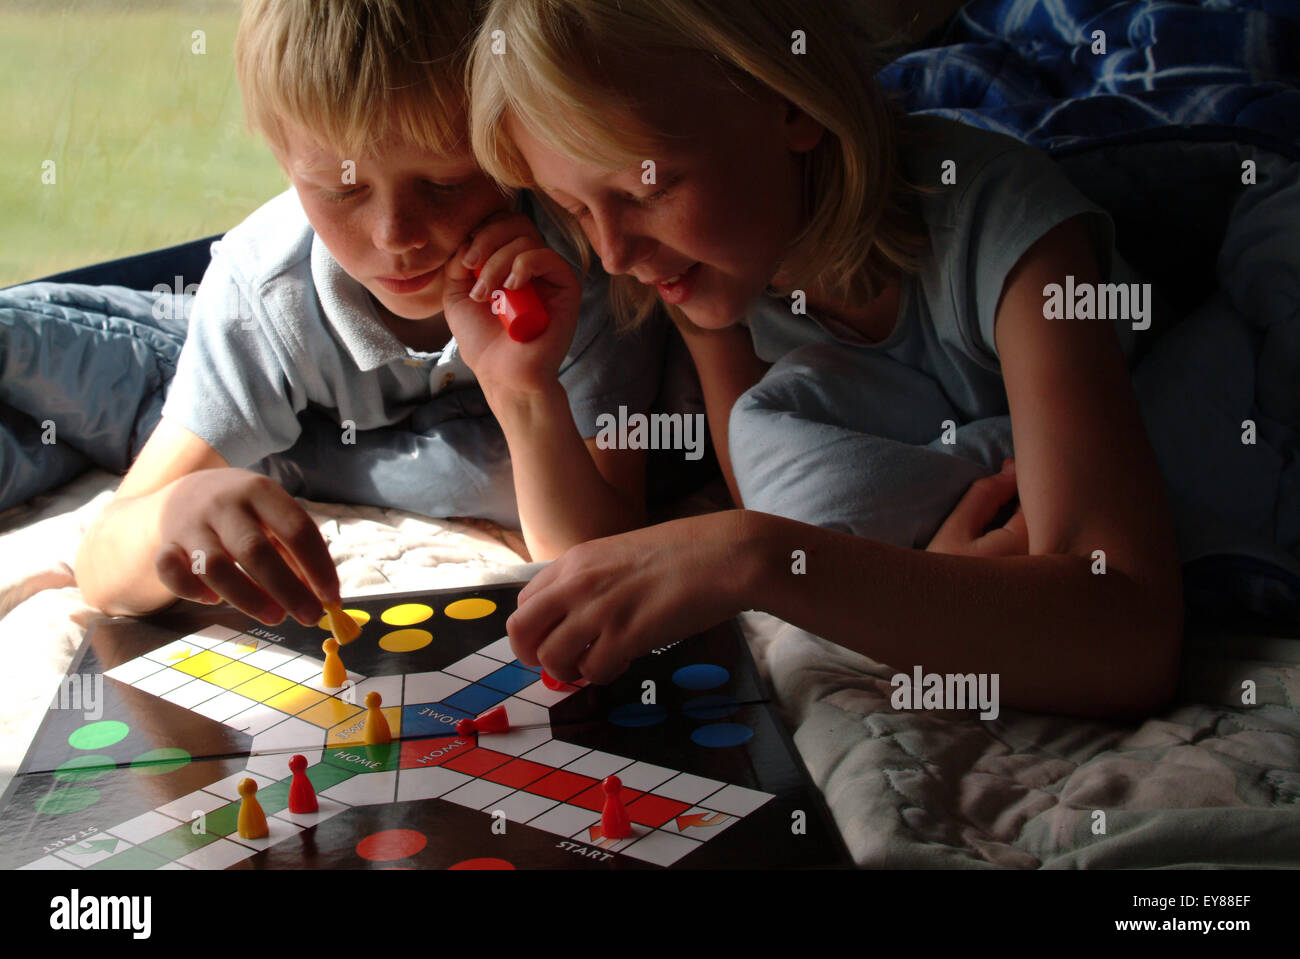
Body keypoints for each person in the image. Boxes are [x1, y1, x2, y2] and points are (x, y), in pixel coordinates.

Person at [471, 0, 1184, 718]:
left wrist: (751, 555)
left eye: (648, 189)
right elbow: (610, 579)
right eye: (573, 208)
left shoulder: (1013, 236)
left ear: (790, 102)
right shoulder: (711, 289)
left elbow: (1129, 638)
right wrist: (521, 392)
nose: (614, 254)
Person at [75, 0, 662, 627]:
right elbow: (101, 569)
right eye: (341, 189)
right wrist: (174, 512)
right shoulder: (264, 291)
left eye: (445, 183)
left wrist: (523, 391)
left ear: (514, 146)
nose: (396, 235)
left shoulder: (570, 267)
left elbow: (593, 560)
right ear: (283, 164)